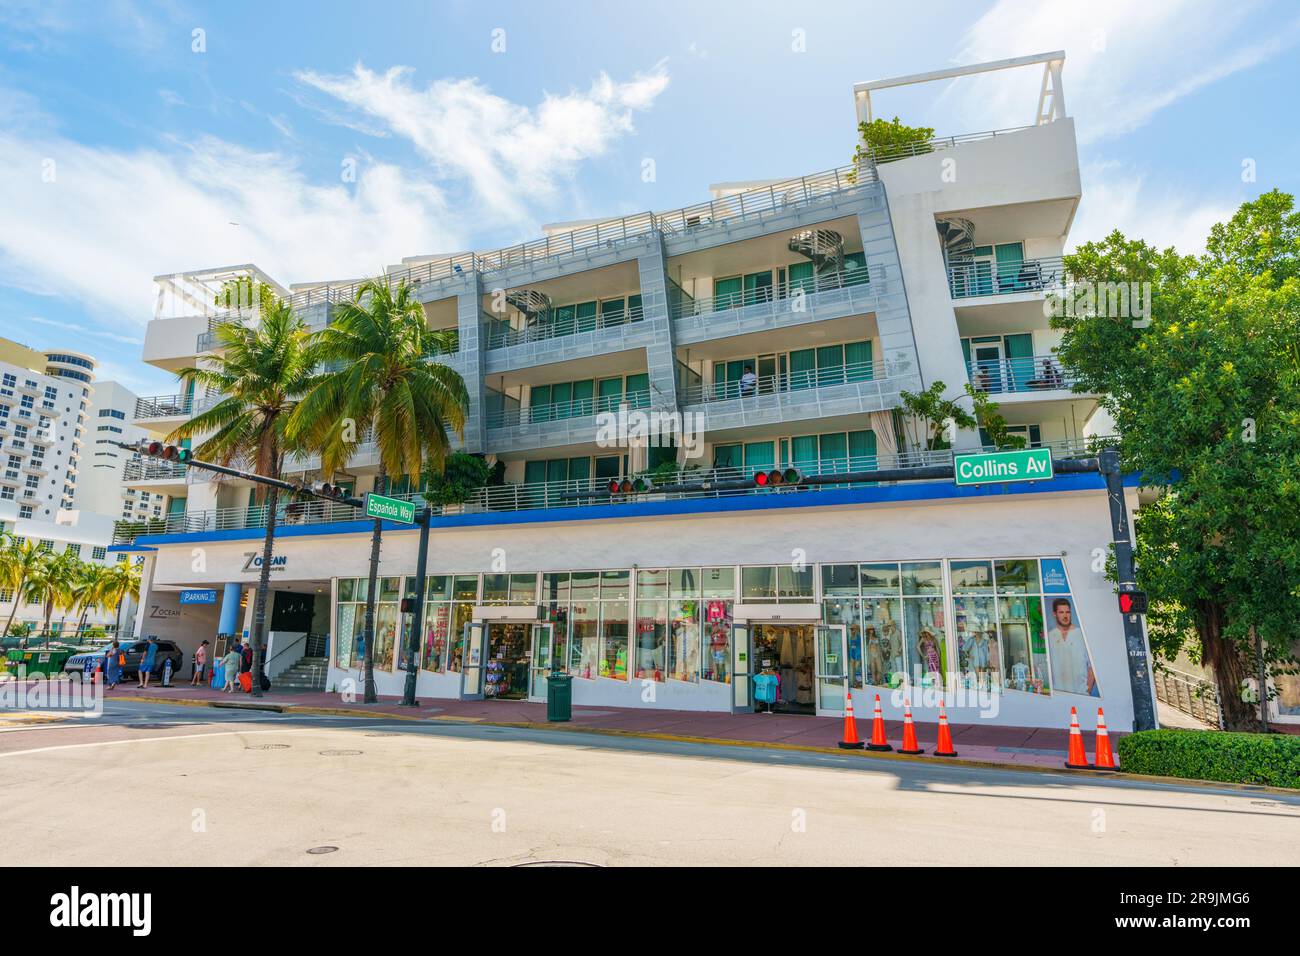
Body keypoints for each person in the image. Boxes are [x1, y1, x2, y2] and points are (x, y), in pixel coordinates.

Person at [1046, 597, 1097, 695]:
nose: (1065, 616)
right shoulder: (1050, 636)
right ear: (1054, 614)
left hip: (1081, 693)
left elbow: (1092, 665)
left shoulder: (1081, 634)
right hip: (1058, 694)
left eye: (1067, 612)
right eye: (1061, 612)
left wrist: (1088, 689)